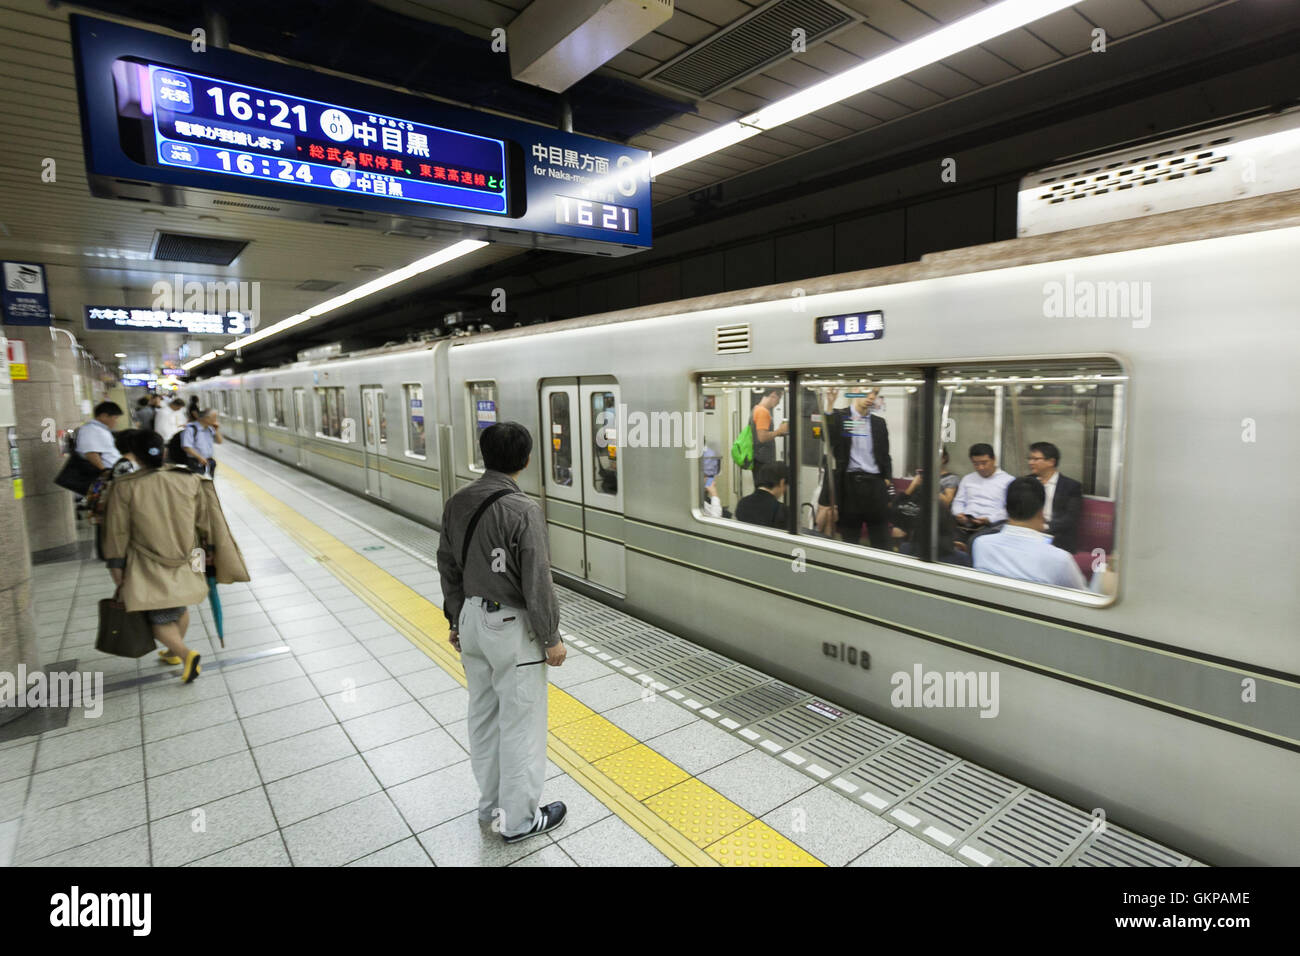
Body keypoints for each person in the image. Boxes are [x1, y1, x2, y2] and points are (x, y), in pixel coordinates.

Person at [436, 421, 567, 845]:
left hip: (472, 619)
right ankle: (520, 821)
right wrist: (551, 637)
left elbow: (447, 566)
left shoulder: (457, 502)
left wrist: (456, 619)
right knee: (521, 723)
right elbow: (537, 581)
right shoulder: (523, 510)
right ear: (526, 460)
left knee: (484, 716)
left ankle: (489, 804)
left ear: (484, 454)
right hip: (510, 627)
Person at [102, 430, 250, 682]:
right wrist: (210, 552)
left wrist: (116, 566)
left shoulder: (125, 486)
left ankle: (185, 653)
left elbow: (117, 531)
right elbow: (206, 521)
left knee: (155, 615)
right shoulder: (190, 479)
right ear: (166, 451)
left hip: (146, 559)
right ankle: (172, 650)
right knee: (180, 602)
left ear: (135, 456)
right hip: (191, 555)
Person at [972, 476, 1087, 589]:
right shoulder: (1060, 559)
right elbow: (1084, 600)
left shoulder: (980, 544)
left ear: (1006, 509)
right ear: (1041, 511)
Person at [824, 387, 893, 548]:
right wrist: (829, 405)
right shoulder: (841, 417)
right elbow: (827, 437)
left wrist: (887, 479)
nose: (871, 397)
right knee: (850, 538)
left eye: (875, 393)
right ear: (855, 391)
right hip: (850, 485)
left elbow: (885, 455)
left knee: (881, 539)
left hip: (876, 486)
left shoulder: (879, 423)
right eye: (867, 392)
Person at [1027, 441, 1083, 553]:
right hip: (1029, 533)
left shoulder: (1071, 487)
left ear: (1051, 462)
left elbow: (1069, 518)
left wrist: (1043, 529)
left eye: (1035, 459)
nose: (1030, 462)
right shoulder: (1027, 482)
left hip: (1057, 537)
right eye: (1029, 459)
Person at [952, 443, 1014, 542]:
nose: (980, 467)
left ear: (994, 459)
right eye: (976, 464)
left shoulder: (1008, 481)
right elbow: (958, 501)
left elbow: (1009, 509)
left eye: (984, 463)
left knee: (976, 540)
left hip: (993, 524)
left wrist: (989, 519)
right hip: (966, 523)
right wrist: (959, 514)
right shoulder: (968, 479)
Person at [750, 388, 788, 483]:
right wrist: (779, 431)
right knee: (765, 488)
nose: (779, 403)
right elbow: (762, 437)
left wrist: (778, 433)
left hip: (757, 458)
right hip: (763, 460)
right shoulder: (763, 412)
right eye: (779, 398)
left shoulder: (756, 408)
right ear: (773, 395)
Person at [74, 401, 123, 472]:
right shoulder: (90, 430)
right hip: (107, 472)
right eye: (115, 418)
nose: (116, 421)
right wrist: (104, 472)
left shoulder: (100, 429)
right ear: (103, 416)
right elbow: (91, 453)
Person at [736, 462, 788, 529]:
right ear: (782, 482)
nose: (784, 491)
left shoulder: (742, 503)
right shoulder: (781, 510)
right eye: (785, 487)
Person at [179, 408, 223, 476]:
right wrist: (199, 458)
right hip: (196, 462)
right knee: (197, 483)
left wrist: (216, 430)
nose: (216, 420)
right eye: (214, 417)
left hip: (208, 461)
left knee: (207, 484)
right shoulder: (190, 429)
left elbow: (220, 441)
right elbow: (186, 447)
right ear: (206, 418)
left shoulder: (210, 429)